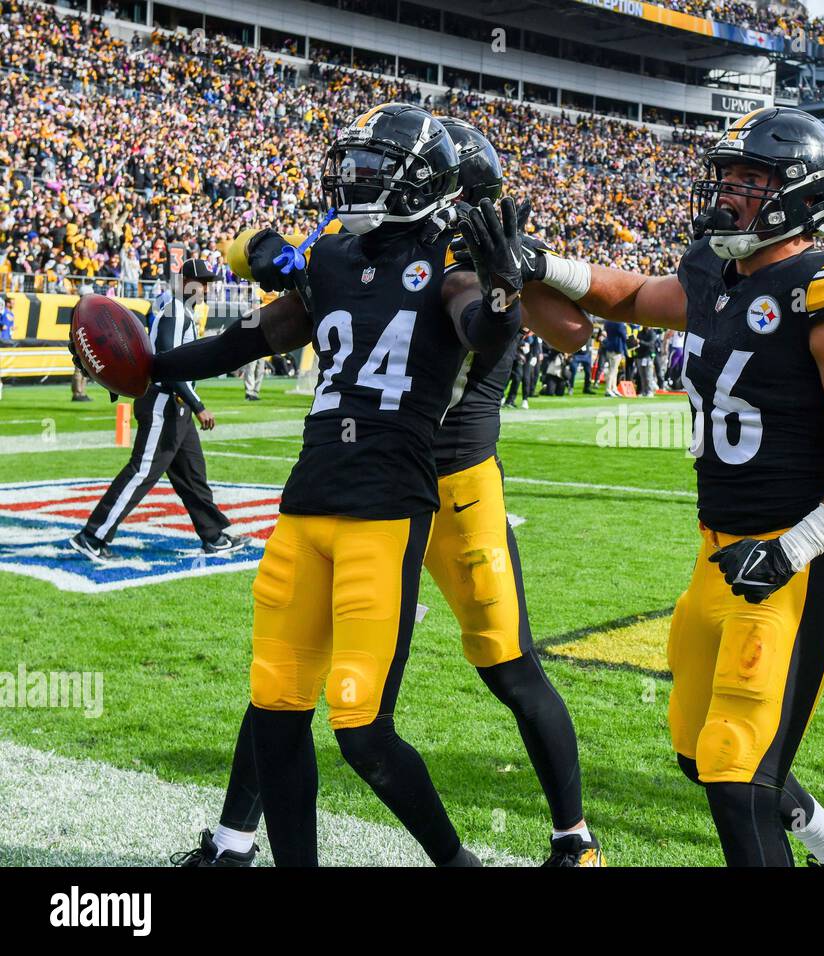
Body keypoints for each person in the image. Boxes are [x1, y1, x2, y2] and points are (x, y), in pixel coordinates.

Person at [162, 115, 604, 867]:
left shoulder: (471, 258)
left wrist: (524, 269)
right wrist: (268, 250)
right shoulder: (370, 241)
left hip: (454, 480)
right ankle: (237, 838)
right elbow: (253, 255)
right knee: (285, 675)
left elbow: (572, 333)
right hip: (354, 479)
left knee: (506, 663)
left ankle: (574, 836)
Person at [518, 106, 824, 866]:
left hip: (796, 562)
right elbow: (630, 297)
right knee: (700, 754)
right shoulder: (714, 272)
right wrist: (539, 264)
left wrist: (793, 547)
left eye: (752, 180)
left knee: (737, 771)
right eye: (727, 176)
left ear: (800, 194)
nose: (729, 192)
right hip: (718, 557)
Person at [69, 258, 248, 563]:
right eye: (202, 283)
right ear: (187, 282)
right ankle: (93, 536)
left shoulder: (180, 310)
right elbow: (168, 361)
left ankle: (213, 535)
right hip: (165, 402)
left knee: (192, 475)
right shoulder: (176, 311)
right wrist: (198, 405)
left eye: (208, 284)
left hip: (175, 408)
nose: (205, 289)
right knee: (142, 470)